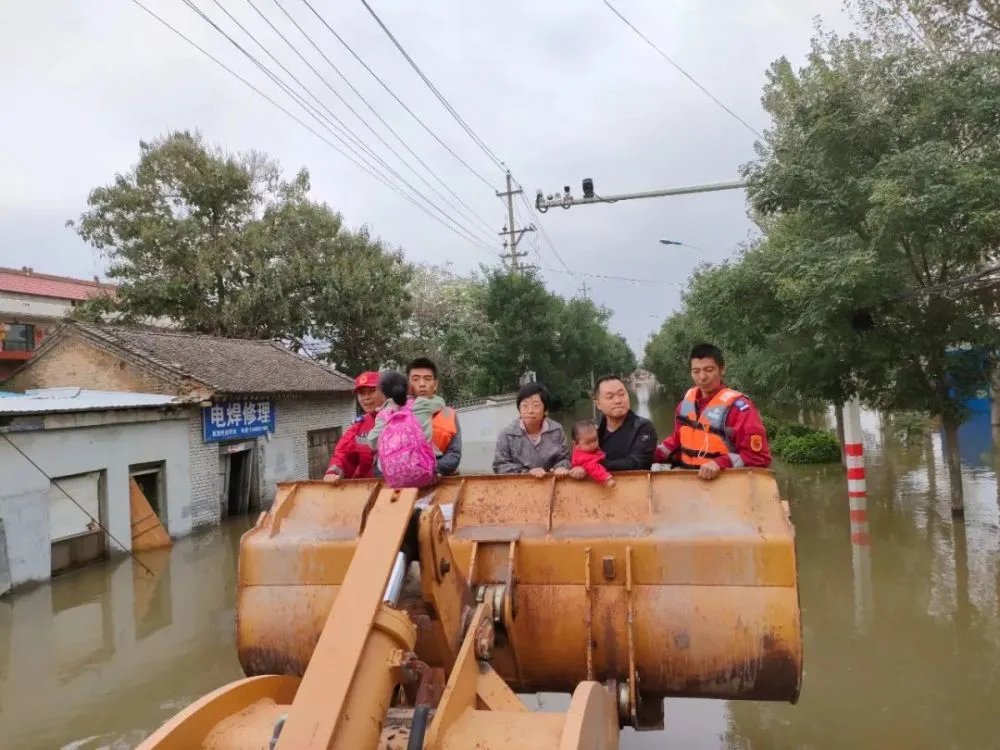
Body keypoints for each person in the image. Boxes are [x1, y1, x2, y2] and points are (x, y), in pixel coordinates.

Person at [654, 343, 771, 480]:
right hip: (688, 481)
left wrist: (720, 463)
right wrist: (646, 454)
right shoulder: (685, 404)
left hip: (725, 484)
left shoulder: (740, 409)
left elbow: (759, 458)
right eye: (696, 371)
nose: (702, 377)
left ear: (722, 370)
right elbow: (677, 441)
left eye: (709, 370)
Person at [570, 375, 656, 478]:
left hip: (634, 485)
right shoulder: (592, 429)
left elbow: (639, 463)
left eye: (622, 394)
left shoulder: (643, 427)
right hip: (596, 488)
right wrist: (579, 467)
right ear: (598, 404)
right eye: (610, 397)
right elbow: (579, 454)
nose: (618, 401)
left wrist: (593, 465)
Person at [493, 382, 571, 477]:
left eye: (536, 405)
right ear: (519, 409)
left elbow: (565, 458)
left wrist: (560, 467)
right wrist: (527, 473)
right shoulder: (507, 434)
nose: (530, 411)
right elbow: (500, 466)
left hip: (551, 484)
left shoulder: (556, 430)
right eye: (525, 406)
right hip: (519, 487)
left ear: (545, 410)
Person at [323, 371, 385, 482]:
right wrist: (333, 472)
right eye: (361, 393)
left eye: (371, 391)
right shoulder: (359, 425)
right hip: (367, 490)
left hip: (400, 490)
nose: (366, 398)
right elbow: (343, 453)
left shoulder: (402, 418)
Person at [407, 357, 462, 476]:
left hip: (441, 483)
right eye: (415, 379)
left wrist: (428, 468)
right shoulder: (397, 414)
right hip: (404, 485)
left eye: (427, 379)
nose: (422, 384)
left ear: (435, 384)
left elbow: (454, 455)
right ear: (408, 384)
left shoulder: (449, 414)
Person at [570, 420, 615, 487]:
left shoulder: (588, 449)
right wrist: (607, 478)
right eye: (588, 443)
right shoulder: (583, 457)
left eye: (595, 440)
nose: (593, 444)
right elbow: (594, 468)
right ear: (576, 444)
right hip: (587, 484)